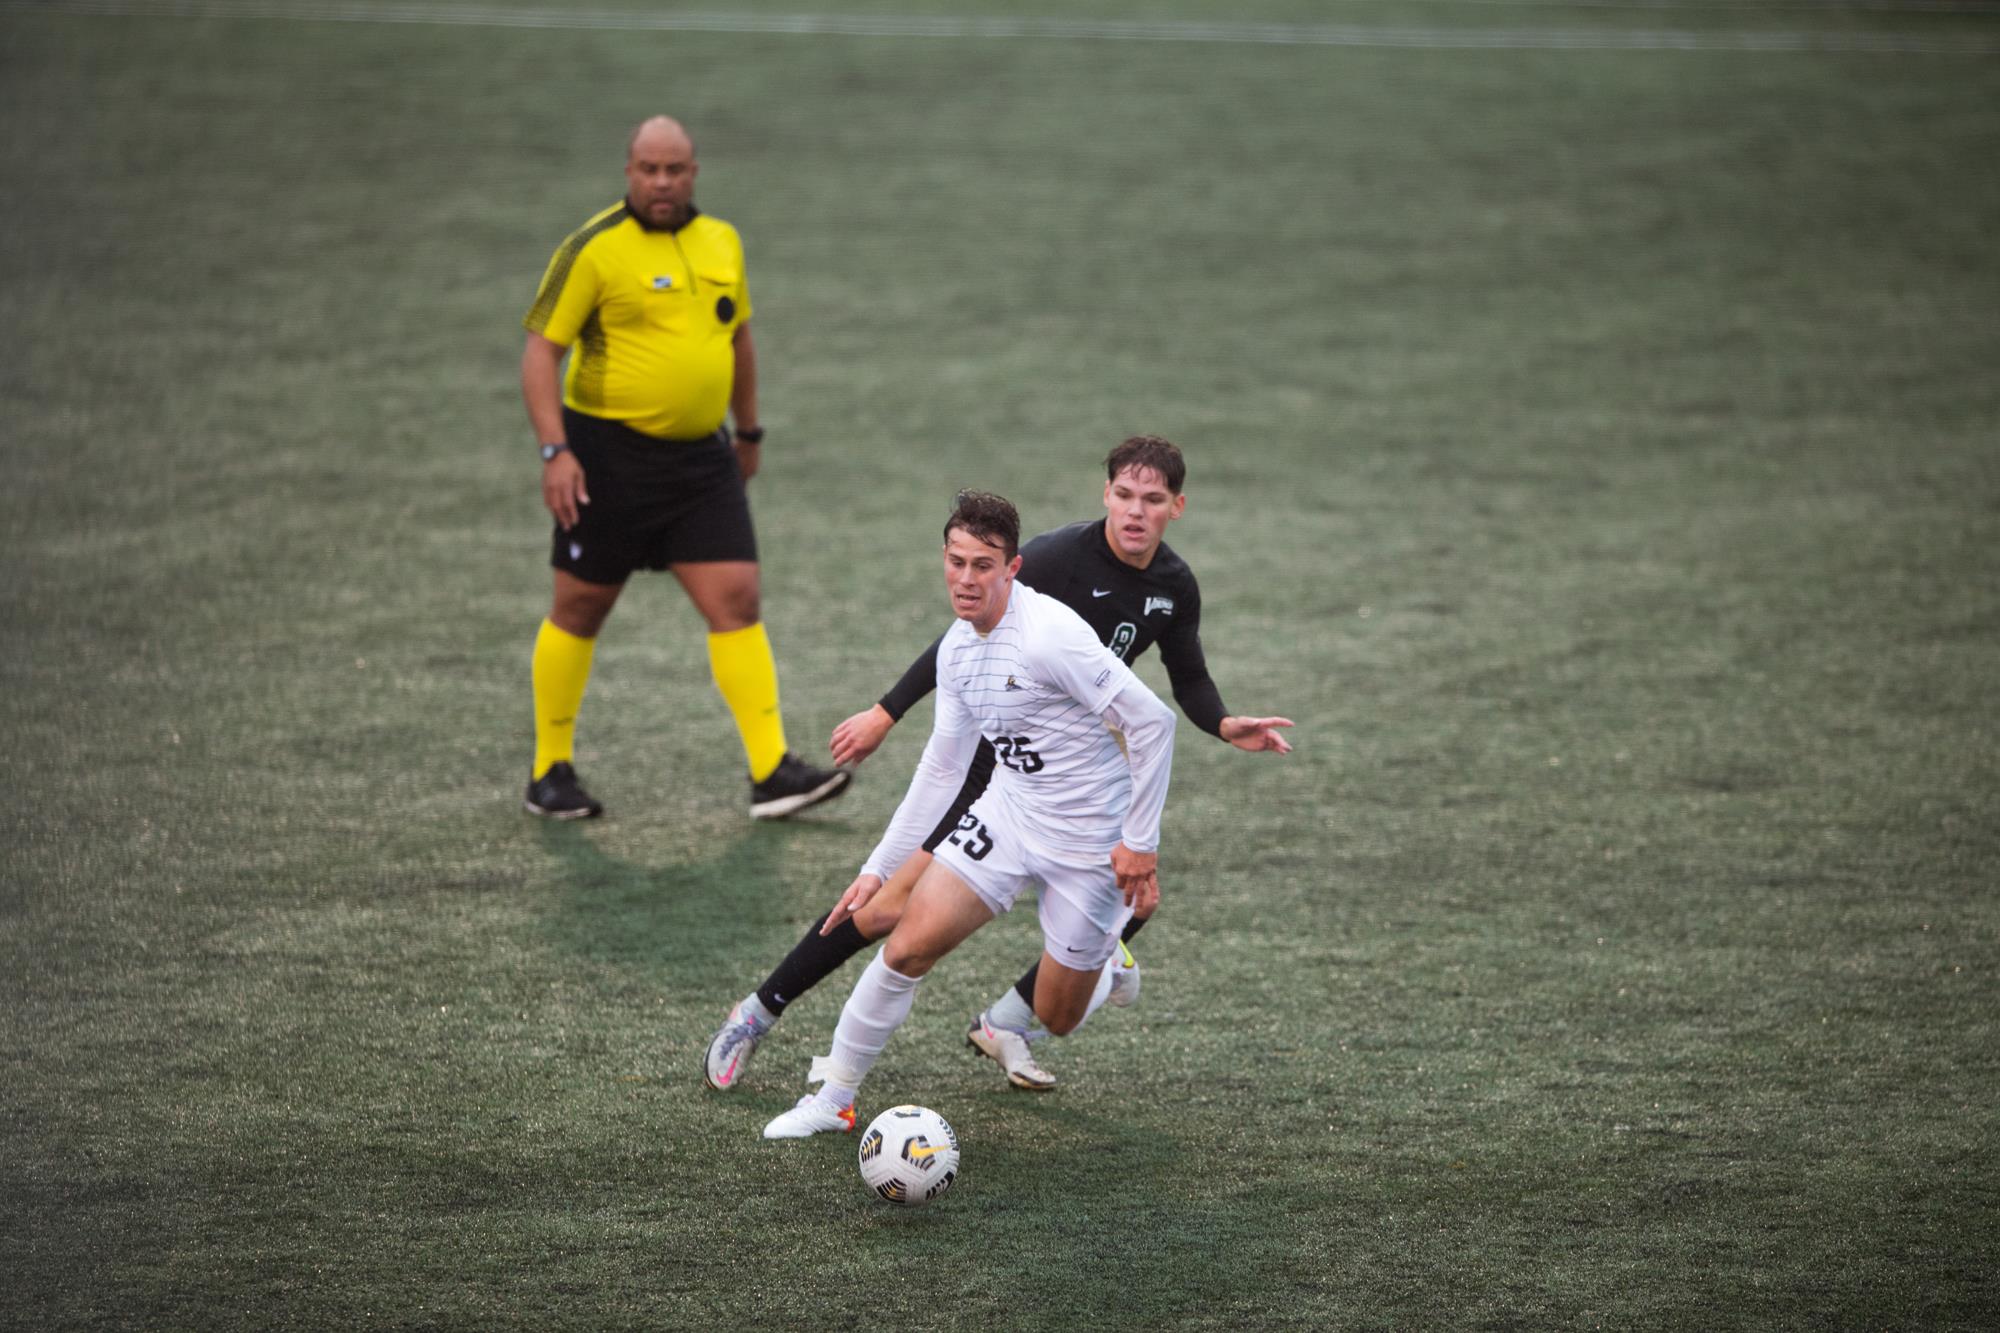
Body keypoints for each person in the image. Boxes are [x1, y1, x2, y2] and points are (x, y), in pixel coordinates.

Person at [705, 437, 1292, 1095]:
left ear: (1175, 507)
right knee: (876, 911)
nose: (1135, 511)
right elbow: (963, 635)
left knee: (1132, 897)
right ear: (1106, 495)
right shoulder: (1053, 557)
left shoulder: (1173, 585)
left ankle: (1008, 1020)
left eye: (1152, 500)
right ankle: (756, 1013)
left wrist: (1221, 721)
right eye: (1124, 495)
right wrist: (885, 711)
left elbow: (1188, 677)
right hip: (992, 771)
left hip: (1066, 774)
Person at [760, 489, 1177, 1139]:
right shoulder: (957, 650)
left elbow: (1153, 722)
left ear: (1013, 568)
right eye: (956, 561)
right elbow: (945, 769)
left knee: (1058, 1014)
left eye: (983, 565)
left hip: (1087, 840)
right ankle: (833, 1098)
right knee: (905, 947)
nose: (965, 578)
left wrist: (1139, 841)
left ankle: (1109, 962)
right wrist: (878, 868)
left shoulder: (1050, 638)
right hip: (1008, 815)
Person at [518, 116, 849, 821]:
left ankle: (771, 771)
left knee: (737, 598)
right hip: (605, 456)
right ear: (629, 171)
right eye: (648, 169)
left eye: (675, 169)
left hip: (701, 460)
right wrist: (556, 450)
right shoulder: (593, 249)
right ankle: (549, 770)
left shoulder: (721, 240)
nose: (662, 182)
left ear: (694, 172)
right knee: (581, 606)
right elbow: (540, 352)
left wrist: (750, 429)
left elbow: (740, 337)